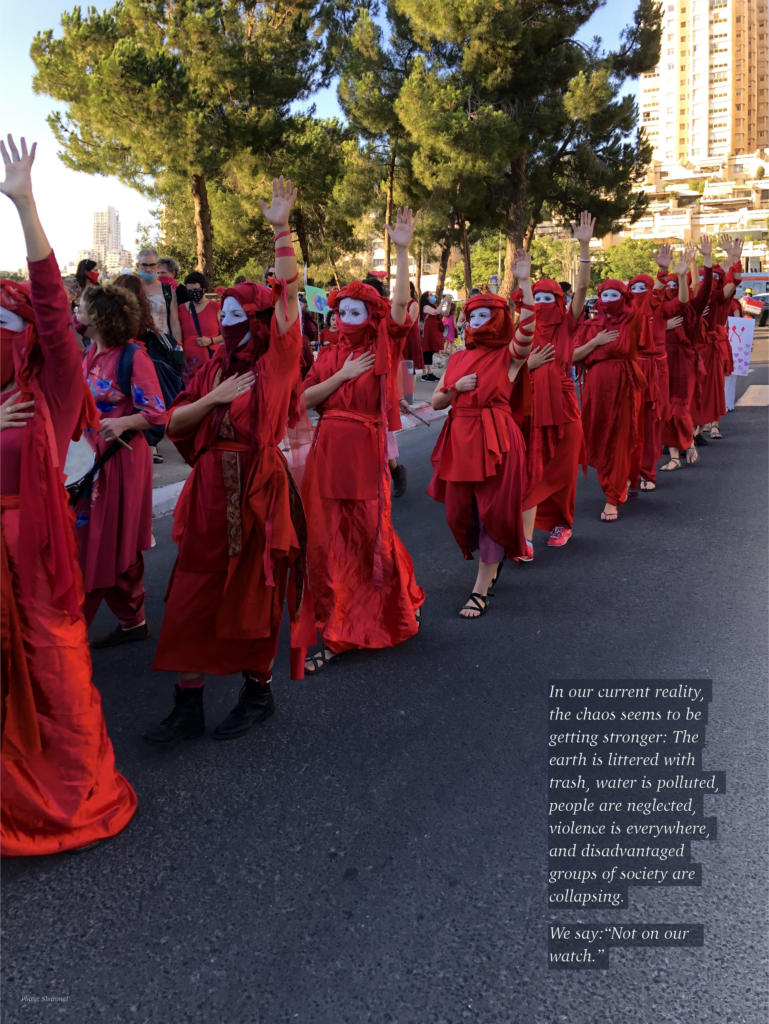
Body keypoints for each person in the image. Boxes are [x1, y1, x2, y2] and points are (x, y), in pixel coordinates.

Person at [0, 133, 136, 855]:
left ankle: (69, 791)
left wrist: (25, 204)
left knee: (54, 673)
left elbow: (54, 313)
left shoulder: (51, 390)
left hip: (38, 561)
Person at [147, 176, 313, 744]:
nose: (229, 320)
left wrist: (281, 230)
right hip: (208, 493)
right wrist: (213, 399)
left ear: (260, 320)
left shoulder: (277, 364)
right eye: (226, 312)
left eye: (241, 312)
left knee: (255, 594)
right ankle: (187, 703)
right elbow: (173, 425)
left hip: (259, 493)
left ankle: (257, 692)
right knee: (191, 593)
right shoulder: (212, 370)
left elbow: (290, 298)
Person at [299, 207, 424, 672]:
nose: (346, 318)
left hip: (365, 454)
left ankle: (382, 610)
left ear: (368, 316)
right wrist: (342, 376)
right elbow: (304, 398)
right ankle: (339, 627)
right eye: (341, 312)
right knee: (329, 540)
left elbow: (396, 309)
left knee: (370, 535)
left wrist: (403, 249)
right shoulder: (329, 353)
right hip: (328, 452)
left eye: (355, 312)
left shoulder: (382, 345)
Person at [427, 249, 536, 618]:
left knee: (491, 511)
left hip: (496, 436)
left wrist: (524, 282)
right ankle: (492, 560)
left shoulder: (510, 355)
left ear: (498, 317)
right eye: (471, 314)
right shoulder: (457, 358)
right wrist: (456, 385)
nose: (475, 320)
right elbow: (438, 402)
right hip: (460, 436)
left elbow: (527, 331)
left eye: (483, 313)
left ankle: (480, 588)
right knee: (460, 514)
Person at [76, 283, 166, 645]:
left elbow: (157, 413)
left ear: (99, 317)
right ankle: (133, 620)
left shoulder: (132, 356)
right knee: (110, 543)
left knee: (99, 543)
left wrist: (125, 422)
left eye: (81, 307)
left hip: (120, 461)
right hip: (91, 462)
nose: (75, 311)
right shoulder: (91, 352)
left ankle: (65, 638)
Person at [515, 212, 597, 554]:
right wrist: (523, 281)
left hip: (563, 409)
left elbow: (581, 289)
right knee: (530, 470)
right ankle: (525, 538)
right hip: (529, 407)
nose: (544, 303)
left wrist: (584, 246)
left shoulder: (568, 325)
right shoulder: (524, 327)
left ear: (560, 303)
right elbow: (511, 361)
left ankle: (563, 523)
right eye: (538, 297)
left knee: (561, 471)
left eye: (550, 297)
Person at [573, 251, 673, 520]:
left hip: (625, 386)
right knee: (599, 436)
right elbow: (572, 356)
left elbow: (648, 302)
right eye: (603, 295)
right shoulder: (590, 326)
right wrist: (595, 342)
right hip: (595, 388)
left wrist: (661, 273)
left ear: (624, 298)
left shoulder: (632, 320)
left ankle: (612, 497)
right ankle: (621, 481)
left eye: (614, 295)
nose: (607, 300)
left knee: (620, 437)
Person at [659, 242, 713, 472]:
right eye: (669, 283)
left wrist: (705, 260)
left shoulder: (694, 306)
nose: (672, 287)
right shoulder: (660, 311)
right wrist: (663, 326)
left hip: (685, 362)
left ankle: (688, 442)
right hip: (662, 362)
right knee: (664, 409)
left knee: (680, 408)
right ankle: (674, 456)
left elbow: (705, 286)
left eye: (677, 282)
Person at [627, 244, 676, 493]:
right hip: (631, 371)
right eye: (633, 288)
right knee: (628, 424)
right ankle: (628, 472)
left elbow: (688, 301)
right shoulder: (624, 312)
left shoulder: (658, 307)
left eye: (642, 288)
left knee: (651, 423)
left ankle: (648, 471)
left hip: (656, 371)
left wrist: (664, 272)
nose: (638, 292)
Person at [688, 236, 743, 441]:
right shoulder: (689, 297)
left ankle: (705, 428)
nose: (704, 283)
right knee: (689, 390)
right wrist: (693, 260)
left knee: (710, 389)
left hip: (710, 349)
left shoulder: (719, 297)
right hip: (691, 350)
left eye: (708, 279)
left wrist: (733, 256)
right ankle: (687, 431)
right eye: (701, 279)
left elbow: (734, 281)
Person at [177, 271, 222, 385]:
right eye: (190, 291)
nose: (193, 293)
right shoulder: (181, 309)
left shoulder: (216, 307)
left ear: (204, 289)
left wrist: (211, 340)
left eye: (196, 290)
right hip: (187, 365)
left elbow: (227, 334)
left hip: (210, 362)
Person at [420, 291, 448, 382]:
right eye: (430, 295)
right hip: (428, 331)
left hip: (434, 331)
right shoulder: (426, 307)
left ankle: (430, 373)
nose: (432, 296)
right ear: (426, 298)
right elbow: (436, 312)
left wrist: (448, 304)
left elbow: (446, 313)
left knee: (431, 351)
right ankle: (425, 374)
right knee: (427, 351)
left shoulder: (433, 305)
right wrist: (443, 301)